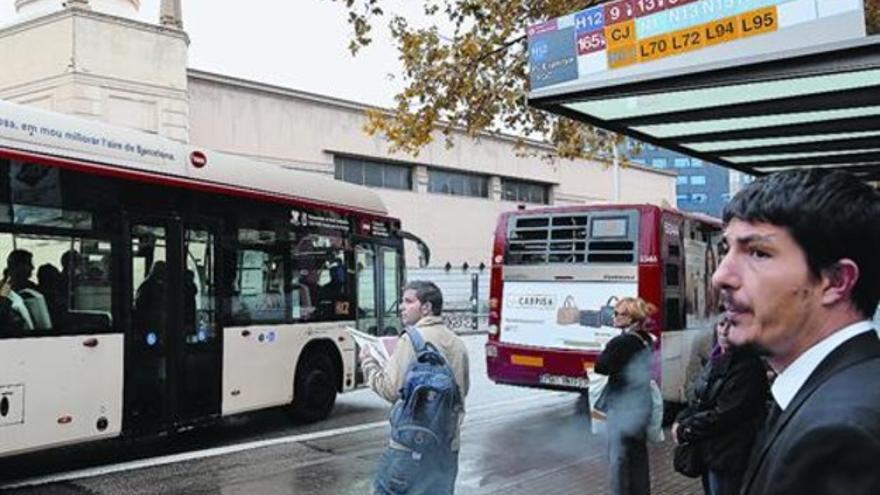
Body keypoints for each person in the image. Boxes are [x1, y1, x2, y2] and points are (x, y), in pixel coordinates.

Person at [712, 169, 880, 495]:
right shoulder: (841, 390)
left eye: (758, 252)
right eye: (726, 249)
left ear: (836, 281)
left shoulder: (843, 434)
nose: (721, 276)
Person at [362, 280, 469, 495]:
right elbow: (461, 392)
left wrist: (368, 363)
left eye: (408, 301)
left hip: (409, 449)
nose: (402, 307)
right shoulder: (457, 343)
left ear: (426, 307)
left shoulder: (410, 340)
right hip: (446, 449)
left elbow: (390, 390)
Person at [672, 318, 768, 495]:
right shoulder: (716, 357)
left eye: (732, 325)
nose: (724, 331)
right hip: (711, 452)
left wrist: (686, 428)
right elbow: (701, 398)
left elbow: (726, 414)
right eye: (721, 324)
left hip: (730, 455)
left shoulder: (747, 366)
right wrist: (682, 418)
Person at [595, 297, 656, 495]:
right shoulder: (646, 339)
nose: (614, 317)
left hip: (621, 407)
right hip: (641, 406)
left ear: (632, 318)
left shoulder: (620, 342)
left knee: (619, 458)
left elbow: (601, 367)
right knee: (638, 456)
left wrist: (607, 350)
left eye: (618, 314)